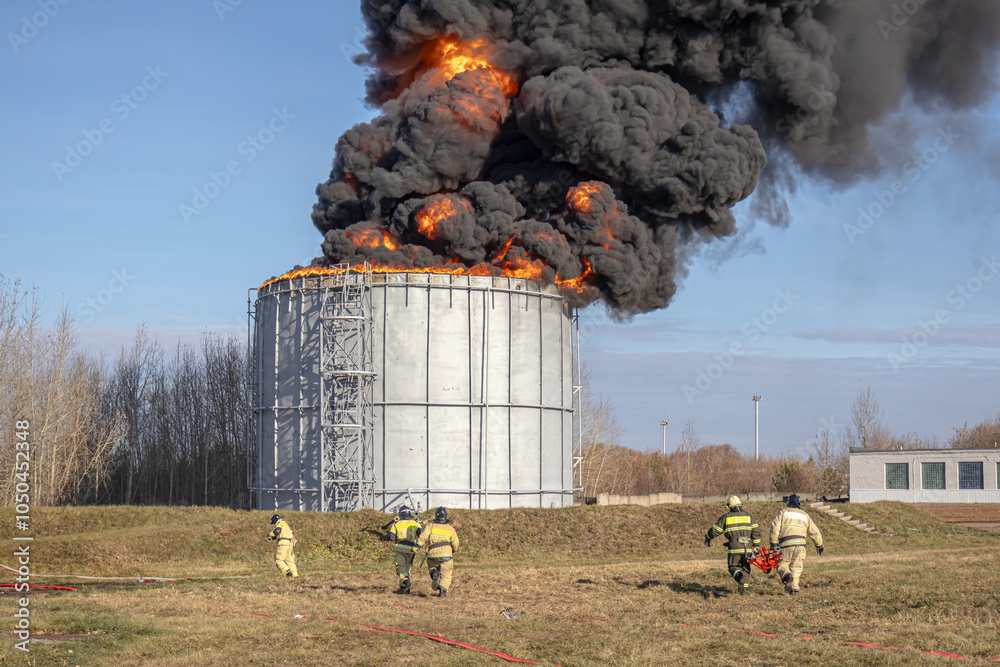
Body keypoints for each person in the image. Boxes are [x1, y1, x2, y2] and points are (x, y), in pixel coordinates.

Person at [704, 495, 761, 595]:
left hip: (734, 547)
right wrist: (756, 545)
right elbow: (756, 531)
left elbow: (715, 530)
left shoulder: (726, 517)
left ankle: (739, 577)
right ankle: (744, 591)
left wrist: (707, 538)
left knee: (733, 566)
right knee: (746, 568)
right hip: (747, 547)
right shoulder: (748, 516)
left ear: (730, 506)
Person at [769, 494, 824, 595]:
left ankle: (786, 574)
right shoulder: (805, 515)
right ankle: (794, 587)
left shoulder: (783, 512)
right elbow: (814, 531)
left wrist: (773, 542)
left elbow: (775, 527)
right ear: (799, 503)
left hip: (786, 544)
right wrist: (819, 544)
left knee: (782, 564)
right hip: (800, 546)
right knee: (797, 567)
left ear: (788, 503)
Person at [417, 506, 460, 598]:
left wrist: (418, 544)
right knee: (447, 575)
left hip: (432, 554)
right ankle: (443, 590)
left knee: (432, 566)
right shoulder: (450, 528)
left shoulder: (430, 526)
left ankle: (434, 573)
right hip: (446, 555)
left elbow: (424, 536)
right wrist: (453, 550)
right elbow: (456, 542)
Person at [386, 505, 422, 594]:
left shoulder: (396, 524)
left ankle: (405, 581)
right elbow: (421, 534)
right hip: (411, 549)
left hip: (400, 548)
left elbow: (391, 536)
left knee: (401, 567)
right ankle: (404, 588)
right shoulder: (415, 523)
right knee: (407, 567)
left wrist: (388, 535)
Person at [267, 514, 299, 578]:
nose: (274, 525)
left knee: (279, 560)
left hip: (283, 544)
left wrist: (270, 535)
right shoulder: (286, 525)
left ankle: (287, 572)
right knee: (290, 561)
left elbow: (277, 531)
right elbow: (292, 535)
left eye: (273, 523)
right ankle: (295, 575)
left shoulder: (279, 524)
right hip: (290, 544)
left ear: (275, 520)